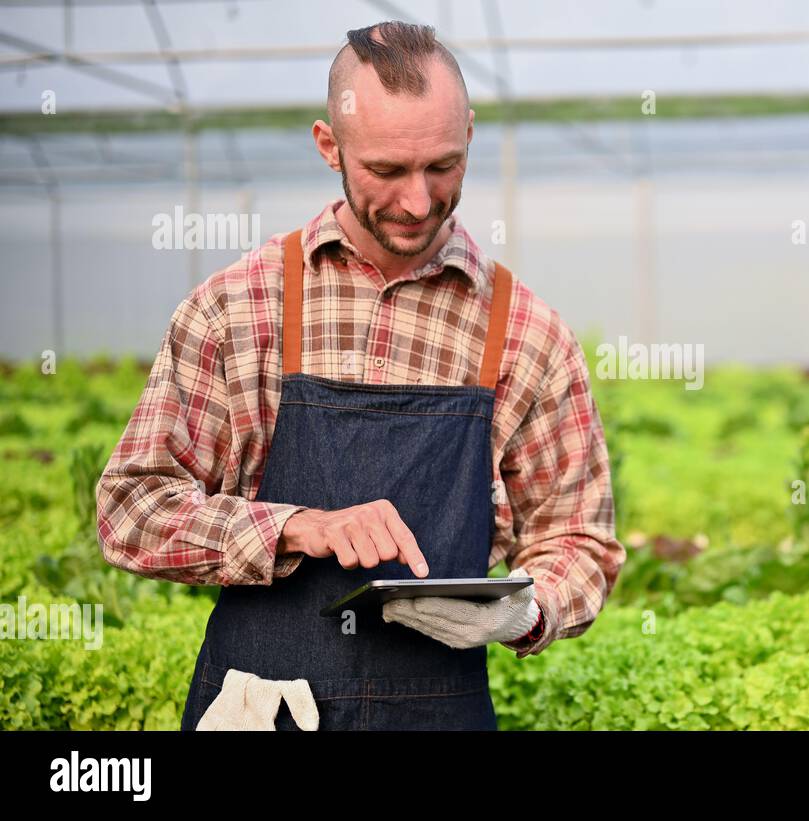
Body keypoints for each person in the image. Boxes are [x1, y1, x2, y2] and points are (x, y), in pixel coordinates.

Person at [95, 20, 625, 731]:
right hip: (260, 706)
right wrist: (296, 527)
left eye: (442, 166)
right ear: (329, 146)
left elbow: (580, 541)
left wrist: (531, 607)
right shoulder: (238, 307)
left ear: (470, 134)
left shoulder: (528, 333)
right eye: (386, 170)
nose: (416, 200)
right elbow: (130, 508)